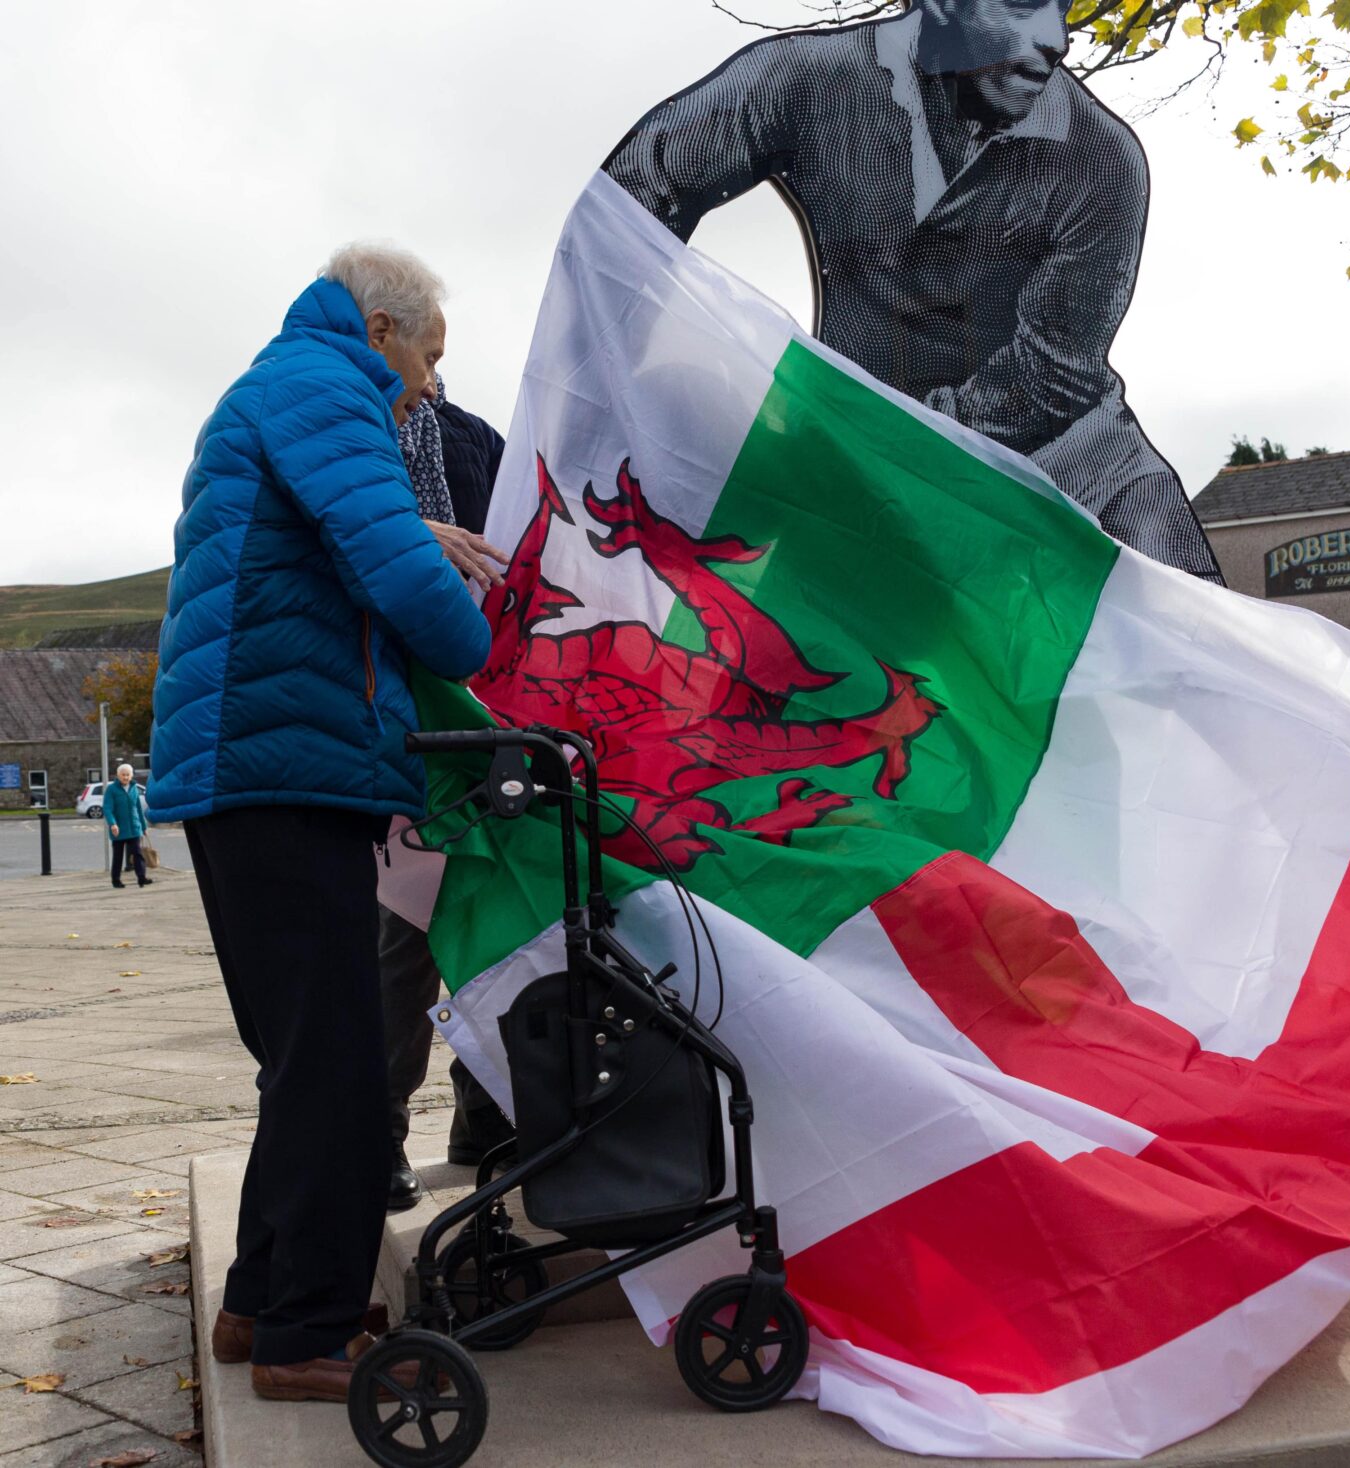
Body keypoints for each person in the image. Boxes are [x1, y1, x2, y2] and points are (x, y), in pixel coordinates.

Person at [147, 243, 491, 1403]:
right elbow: (407, 591)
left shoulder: (293, 387)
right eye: (428, 357)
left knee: (307, 1059)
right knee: (342, 1063)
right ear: (382, 326)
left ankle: (261, 1299)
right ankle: (308, 1332)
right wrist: (473, 630)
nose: (431, 387)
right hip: (277, 769)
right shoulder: (321, 385)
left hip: (267, 765)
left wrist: (408, 535)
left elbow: (336, 545)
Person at [604, 0, 1223, 582]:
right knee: (801, 685)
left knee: (1215, 672)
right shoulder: (806, 80)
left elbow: (1051, 378)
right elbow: (634, 192)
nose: (1056, 40)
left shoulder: (1104, 157)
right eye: (1023, 1)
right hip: (863, 491)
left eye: (1064, 10)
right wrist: (632, 384)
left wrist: (849, 448)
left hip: (1078, 482)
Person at [383, 374, 514, 1213]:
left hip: (487, 698)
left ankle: (487, 1112)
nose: (432, 373)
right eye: (425, 355)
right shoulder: (358, 435)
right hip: (402, 709)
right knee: (401, 936)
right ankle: (382, 1128)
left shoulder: (476, 438)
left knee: (490, 921)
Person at [103, 764, 150, 888]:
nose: (126, 777)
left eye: (128, 775)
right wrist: (113, 824)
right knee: (118, 856)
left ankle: (141, 877)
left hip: (134, 828)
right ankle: (116, 880)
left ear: (131, 775)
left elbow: (138, 808)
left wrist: (144, 827)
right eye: (123, 775)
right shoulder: (111, 789)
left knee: (138, 853)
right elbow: (107, 808)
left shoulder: (134, 788)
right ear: (118, 776)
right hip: (118, 829)